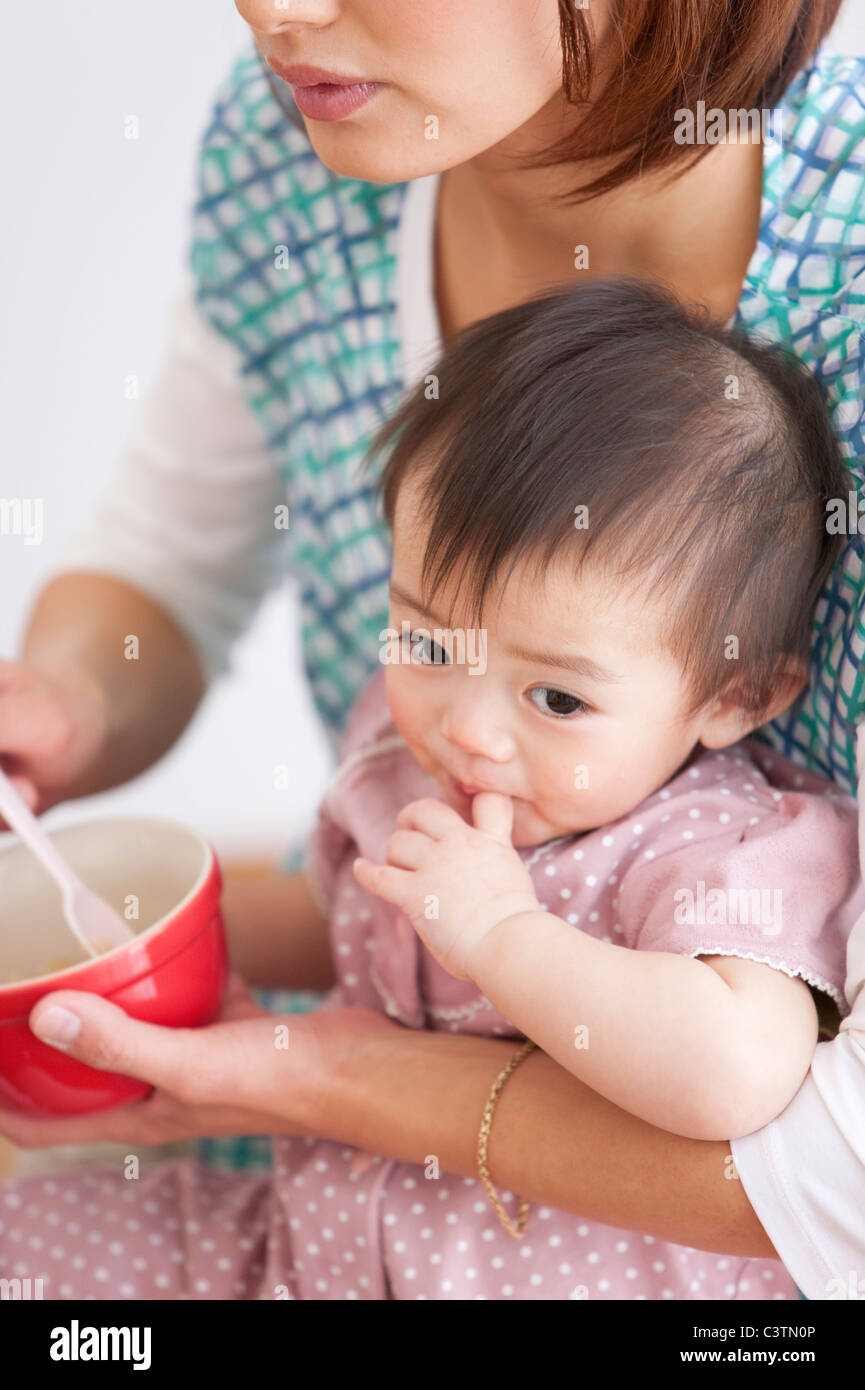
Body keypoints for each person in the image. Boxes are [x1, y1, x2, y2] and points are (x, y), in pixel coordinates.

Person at [2, 1, 864, 1298]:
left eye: (559, 692)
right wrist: (67, 727)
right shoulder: (296, 146)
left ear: (739, 693)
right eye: (424, 635)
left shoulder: (726, 854)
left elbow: (776, 1112)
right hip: (328, 1215)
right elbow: (173, 570)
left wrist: (475, 956)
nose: (273, 13)